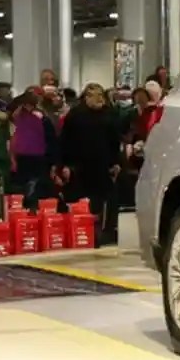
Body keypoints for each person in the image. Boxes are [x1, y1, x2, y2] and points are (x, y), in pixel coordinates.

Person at [59, 84, 122, 246]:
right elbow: (65, 142)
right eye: (95, 95)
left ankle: (103, 234)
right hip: (79, 167)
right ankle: (80, 234)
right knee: (81, 202)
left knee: (104, 202)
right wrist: (64, 165)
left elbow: (115, 141)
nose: (99, 98)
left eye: (101, 95)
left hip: (103, 166)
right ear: (86, 97)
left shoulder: (109, 115)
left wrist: (116, 162)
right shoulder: (75, 116)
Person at [7, 90, 59, 208]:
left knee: (29, 189)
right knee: (32, 189)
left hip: (31, 159)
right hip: (31, 159)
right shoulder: (40, 118)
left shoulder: (21, 118)